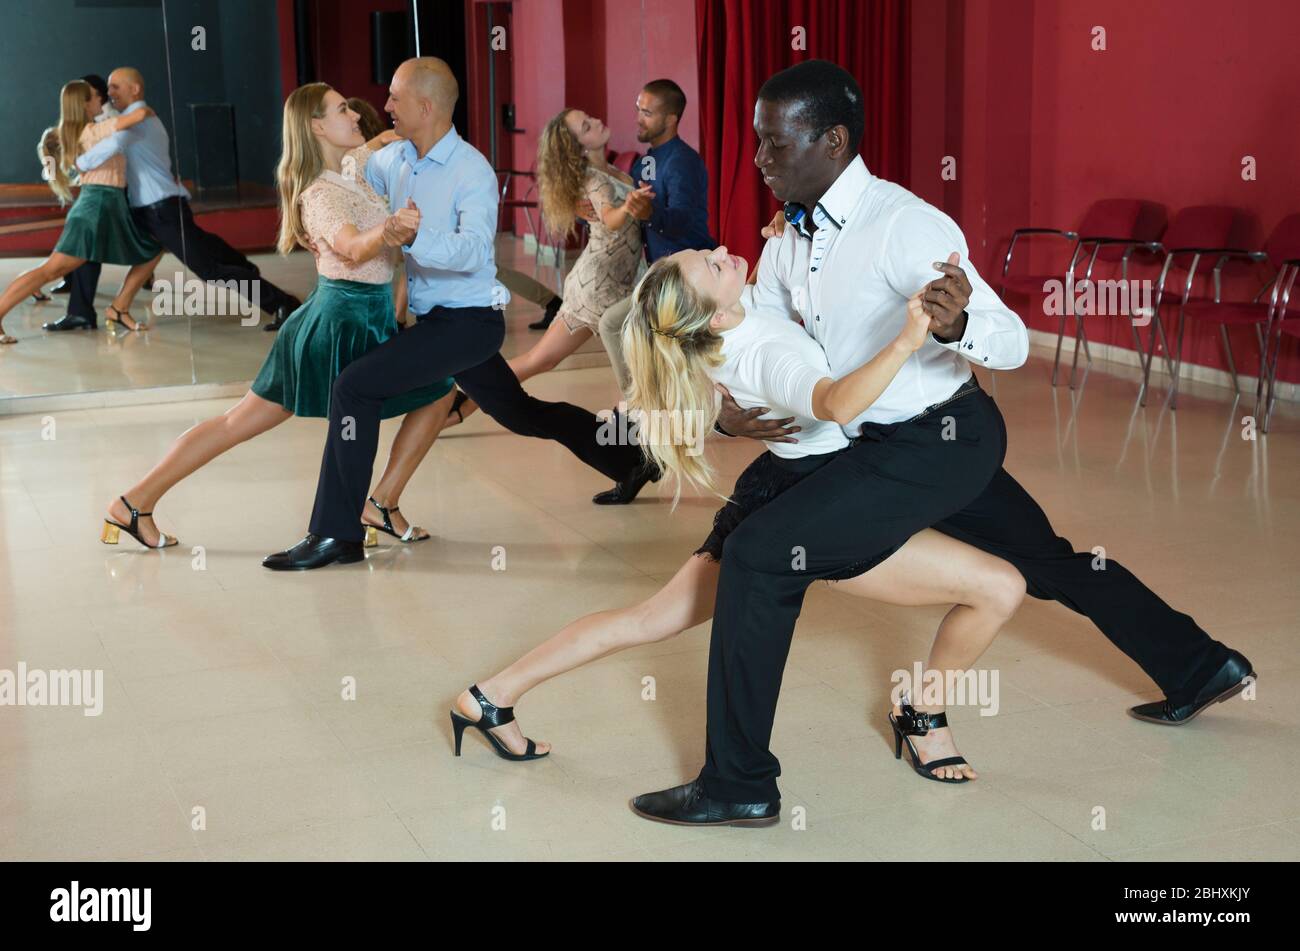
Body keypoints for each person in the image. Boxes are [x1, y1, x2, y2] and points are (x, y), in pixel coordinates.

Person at [630, 60, 1254, 827]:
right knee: (1047, 559)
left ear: (831, 140)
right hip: (878, 439)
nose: (759, 159)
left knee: (761, 555)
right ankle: (1199, 662)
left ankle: (737, 784)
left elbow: (1012, 338)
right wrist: (727, 413)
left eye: (773, 144)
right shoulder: (792, 227)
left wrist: (958, 325)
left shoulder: (906, 225)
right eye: (756, 144)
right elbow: (758, 322)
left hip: (935, 438)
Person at [453, 246, 1026, 784]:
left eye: (711, 251)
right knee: (998, 588)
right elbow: (837, 403)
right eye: (713, 264)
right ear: (717, 315)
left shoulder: (730, 318)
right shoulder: (763, 352)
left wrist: (783, 232)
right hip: (819, 506)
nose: (725, 251)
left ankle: (491, 695)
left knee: (654, 617)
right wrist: (909, 336)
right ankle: (922, 713)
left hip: (790, 485)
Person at [262, 57, 655, 572]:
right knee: (521, 412)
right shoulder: (396, 159)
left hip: (469, 322)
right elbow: (351, 171)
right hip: (436, 324)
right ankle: (631, 458)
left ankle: (337, 533)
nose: (384, 107)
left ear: (425, 107)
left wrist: (412, 234)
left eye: (396, 99)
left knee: (354, 387)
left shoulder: (471, 171)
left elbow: (473, 253)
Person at [100, 84, 454, 550]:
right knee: (238, 424)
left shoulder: (351, 168)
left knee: (439, 390)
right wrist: (390, 229)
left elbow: (377, 144)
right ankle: (133, 502)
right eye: (343, 109)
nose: (356, 115)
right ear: (317, 126)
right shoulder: (320, 194)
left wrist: (398, 131)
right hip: (335, 325)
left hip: (366, 318)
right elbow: (349, 248)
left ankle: (380, 503)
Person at [444, 107, 650, 430]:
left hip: (613, 279)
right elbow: (610, 218)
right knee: (546, 359)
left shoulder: (611, 171)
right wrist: (627, 206)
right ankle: (459, 399)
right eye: (587, 125)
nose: (597, 120)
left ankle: (461, 401)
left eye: (589, 118)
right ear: (579, 148)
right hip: (597, 287)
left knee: (544, 359)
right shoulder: (593, 180)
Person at [69, 67, 302, 334]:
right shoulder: (131, 118)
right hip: (154, 210)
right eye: (108, 88)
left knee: (210, 270)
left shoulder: (139, 122)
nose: (109, 93)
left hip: (161, 210)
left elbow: (107, 149)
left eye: (115, 87)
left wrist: (79, 163)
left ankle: (283, 304)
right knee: (200, 250)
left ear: (135, 89)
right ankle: (240, 265)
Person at [591, 78, 716, 503]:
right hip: (658, 273)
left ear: (670, 118)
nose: (638, 117)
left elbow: (691, 226)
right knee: (634, 337)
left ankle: (642, 416)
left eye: (647, 111)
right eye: (638, 108)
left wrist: (653, 213)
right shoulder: (650, 160)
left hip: (681, 273)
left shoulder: (682, 162)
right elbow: (635, 202)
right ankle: (647, 425)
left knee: (613, 324)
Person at [0, 80, 162, 345]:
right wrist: (140, 104)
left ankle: (119, 308)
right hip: (96, 207)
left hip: (105, 205)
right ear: (85, 103)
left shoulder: (82, 131)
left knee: (154, 245)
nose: (103, 100)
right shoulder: (92, 131)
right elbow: (140, 115)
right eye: (98, 97)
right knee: (51, 270)